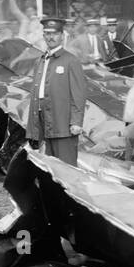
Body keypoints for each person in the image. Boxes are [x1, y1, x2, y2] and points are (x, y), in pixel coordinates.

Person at [24, 16, 89, 167]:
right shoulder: (40, 61)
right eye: (47, 34)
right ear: (43, 36)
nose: (50, 37)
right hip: (43, 122)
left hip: (63, 123)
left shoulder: (70, 61)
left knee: (66, 167)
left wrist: (76, 122)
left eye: (54, 34)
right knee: (49, 168)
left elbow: (78, 94)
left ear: (62, 36)